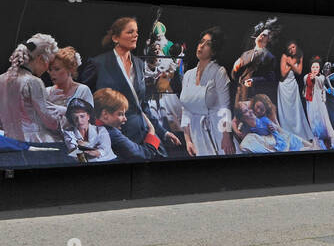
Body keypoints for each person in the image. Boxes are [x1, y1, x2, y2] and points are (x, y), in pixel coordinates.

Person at [81, 18, 177, 152]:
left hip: (144, 135)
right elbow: (83, 102)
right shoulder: (98, 64)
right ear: (115, 38)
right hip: (116, 140)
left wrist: (163, 132)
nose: (136, 35)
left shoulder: (138, 64)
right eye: (130, 32)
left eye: (136, 32)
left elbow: (142, 106)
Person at [0, 34, 63, 144]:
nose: (48, 69)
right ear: (41, 59)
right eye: (49, 62)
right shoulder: (33, 82)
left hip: (9, 143)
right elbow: (50, 122)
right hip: (35, 143)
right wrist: (65, 113)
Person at [179, 27, 233, 157]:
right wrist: (188, 140)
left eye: (208, 44)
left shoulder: (218, 72)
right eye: (201, 42)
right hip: (196, 133)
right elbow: (185, 111)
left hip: (216, 131)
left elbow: (225, 107)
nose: (201, 46)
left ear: (214, 51)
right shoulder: (188, 75)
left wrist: (226, 136)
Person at [92, 87, 161, 161]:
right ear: (105, 114)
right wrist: (151, 132)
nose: (125, 119)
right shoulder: (112, 134)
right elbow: (145, 154)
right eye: (120, 114)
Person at [231, 19, 279, 107]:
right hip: (240, 96)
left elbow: (271, 80)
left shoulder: (269, 57)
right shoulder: (245, 54)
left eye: (264, 35)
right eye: (260, 34)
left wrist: (254, 81)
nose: (261, 36)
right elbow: (235, 77)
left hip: (255, 99)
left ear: (269, 40)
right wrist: (234, 69)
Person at [44, 46, 92, 124]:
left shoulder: (83, 90)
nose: (52, 73)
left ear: (70, 69)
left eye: (57, 69)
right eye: (50, 70)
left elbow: (90, 119)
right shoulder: (47, 91)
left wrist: (66, 111)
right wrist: (46, 104)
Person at [276, 39, 313, 140]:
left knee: (296, 111)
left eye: (293, 47)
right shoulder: (285, 57)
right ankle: (288, 135)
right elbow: (283, 74)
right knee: (286, 113)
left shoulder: (300, 55)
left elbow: (299, 71)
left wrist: (291, 64)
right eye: (289, 49)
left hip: (293, 86)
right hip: (284, 86)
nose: (292, 50)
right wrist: (290, 65)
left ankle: (300, 134)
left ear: (296, 46)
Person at [304, 56, 334, 149]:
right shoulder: (306, 77)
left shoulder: (321, 77)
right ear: (310, 68)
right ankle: (318, 144)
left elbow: (321, 83)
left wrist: (328, 90)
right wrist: (311, 79)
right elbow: (307, 86)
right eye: (313, 67)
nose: (315, 69)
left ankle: (328, 144)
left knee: (323, 122)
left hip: (320, 102)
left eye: (317, 67)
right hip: (310, 102)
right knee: (313, 122)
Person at [60, 97, 115, 162]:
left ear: (88, 116)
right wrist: (84, 163)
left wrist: (96, 153)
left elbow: (105, 149)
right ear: (71, 118)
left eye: (82, 116)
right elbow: (73, 150)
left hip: (108, 162)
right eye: (75, 118)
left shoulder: (101, 130)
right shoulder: (68, 133)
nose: (79, 121)